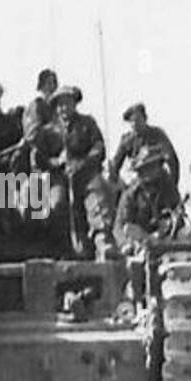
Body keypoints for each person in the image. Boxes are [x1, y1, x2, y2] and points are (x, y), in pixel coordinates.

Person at [45, 85, 116, 259]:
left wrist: (83, 163)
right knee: (58, 204)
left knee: (98, 190)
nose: (63, 108)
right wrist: (56, 162)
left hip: (86, 174)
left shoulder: (87, 123)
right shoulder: (49, 130)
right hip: (60, 177)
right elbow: (39, 158)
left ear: (74, 104)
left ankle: (102, 240)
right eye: (60, 105)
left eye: (67, 103)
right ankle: (62, 248)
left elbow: (99, 147)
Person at [114, 144, 184, 254]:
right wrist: (127, 244)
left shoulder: (169, 189)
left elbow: (179, 215)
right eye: (146, 168)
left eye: (153, 166)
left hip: (167, 241)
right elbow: (120, 226)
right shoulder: (131, 195)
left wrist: (170, 224)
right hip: (140, 243)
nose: (150, 173)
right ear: (140, 172)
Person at [109, 102, 180, 188]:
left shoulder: (157, 134)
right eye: (131, 121)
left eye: (137, 120)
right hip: (139, 182)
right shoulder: (127, 141)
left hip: (159, 179)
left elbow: (172, 159)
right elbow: (115, 165)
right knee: (126, 200)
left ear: (145, 118)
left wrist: (173, 183)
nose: (134, 124)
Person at [21, 67, 59, 166]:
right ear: (41, 85)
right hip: (40, 160)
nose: (52, 87)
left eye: (54, 83)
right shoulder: (36, 105)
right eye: (49, 83)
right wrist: (52, 128)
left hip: (57, 158)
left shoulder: (57, 107)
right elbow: (32, 135)